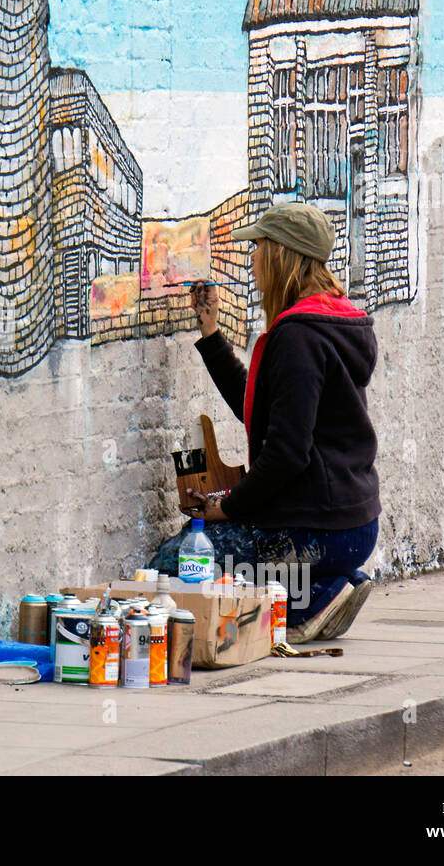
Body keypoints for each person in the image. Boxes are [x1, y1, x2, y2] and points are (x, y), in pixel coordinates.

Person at [151, 202, 381, 643]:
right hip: (352, 525)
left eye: (256, 249)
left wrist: (229, 505)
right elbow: (261, 411)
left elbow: (285, 454)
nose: (251, 262)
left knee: (176, 560)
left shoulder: (298, 336)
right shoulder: (334, 321)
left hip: (315, 530)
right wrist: (211, 334)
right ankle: (331, 582)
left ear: (279, 255)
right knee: (206, 545)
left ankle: (310, 598)